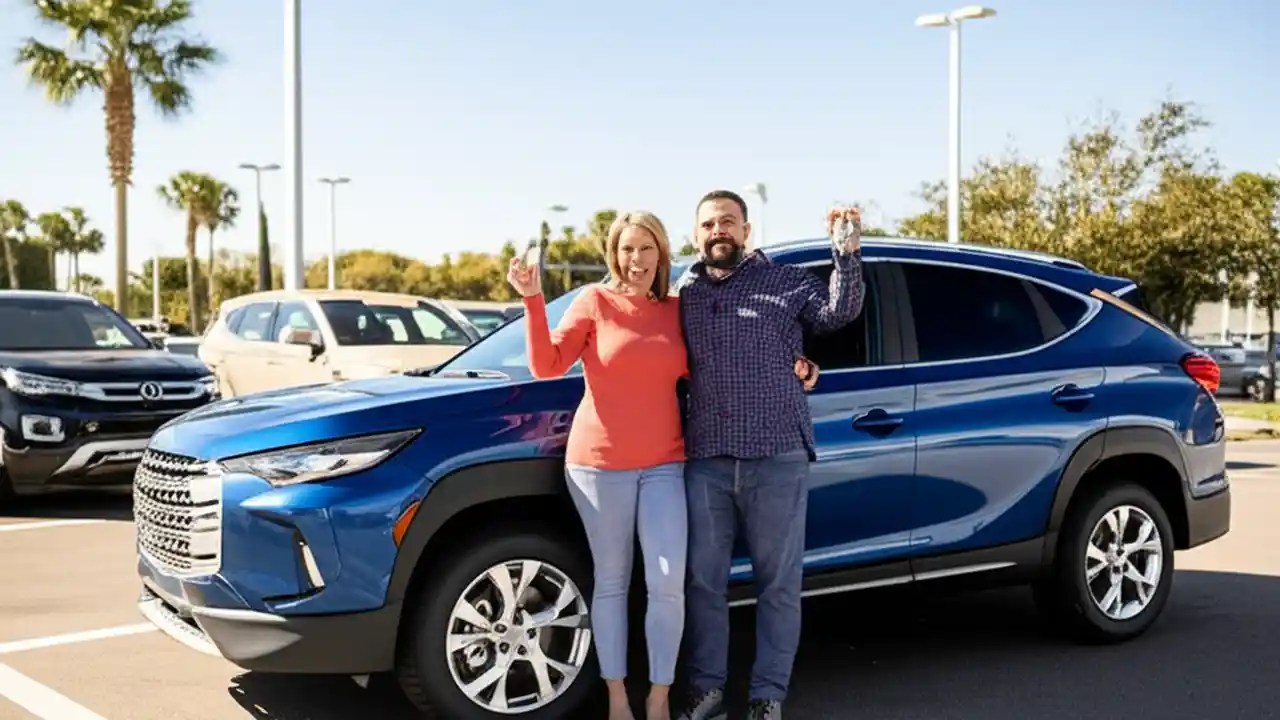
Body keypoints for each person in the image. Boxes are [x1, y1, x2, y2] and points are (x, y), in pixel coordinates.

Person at [510, 211, 819, 720]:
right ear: (614, 254)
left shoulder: (678, 307)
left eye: (646, 249)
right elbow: (546, 365)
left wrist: (797, 366)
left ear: (661, 254)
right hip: (599, 465)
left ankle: (659, 697)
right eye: (627, 249)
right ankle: (617, 699)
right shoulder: (593, 301)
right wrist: (532, 299)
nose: (637, 260)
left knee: (669, 583)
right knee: (612, 582)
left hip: (665, 464)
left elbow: (731, 352)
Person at [674, 190, 865, 720]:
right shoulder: (683, 293)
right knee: (703, 584)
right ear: (696, 235)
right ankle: (707, 691)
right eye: (708, 224)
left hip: (777, 454)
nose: (718, 231)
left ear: (746, 230)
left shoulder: (787, 281)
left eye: (728, 222)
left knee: (778, 587)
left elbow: (839, 311)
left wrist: (846, 253)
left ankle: (767, 696)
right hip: (707, 459)